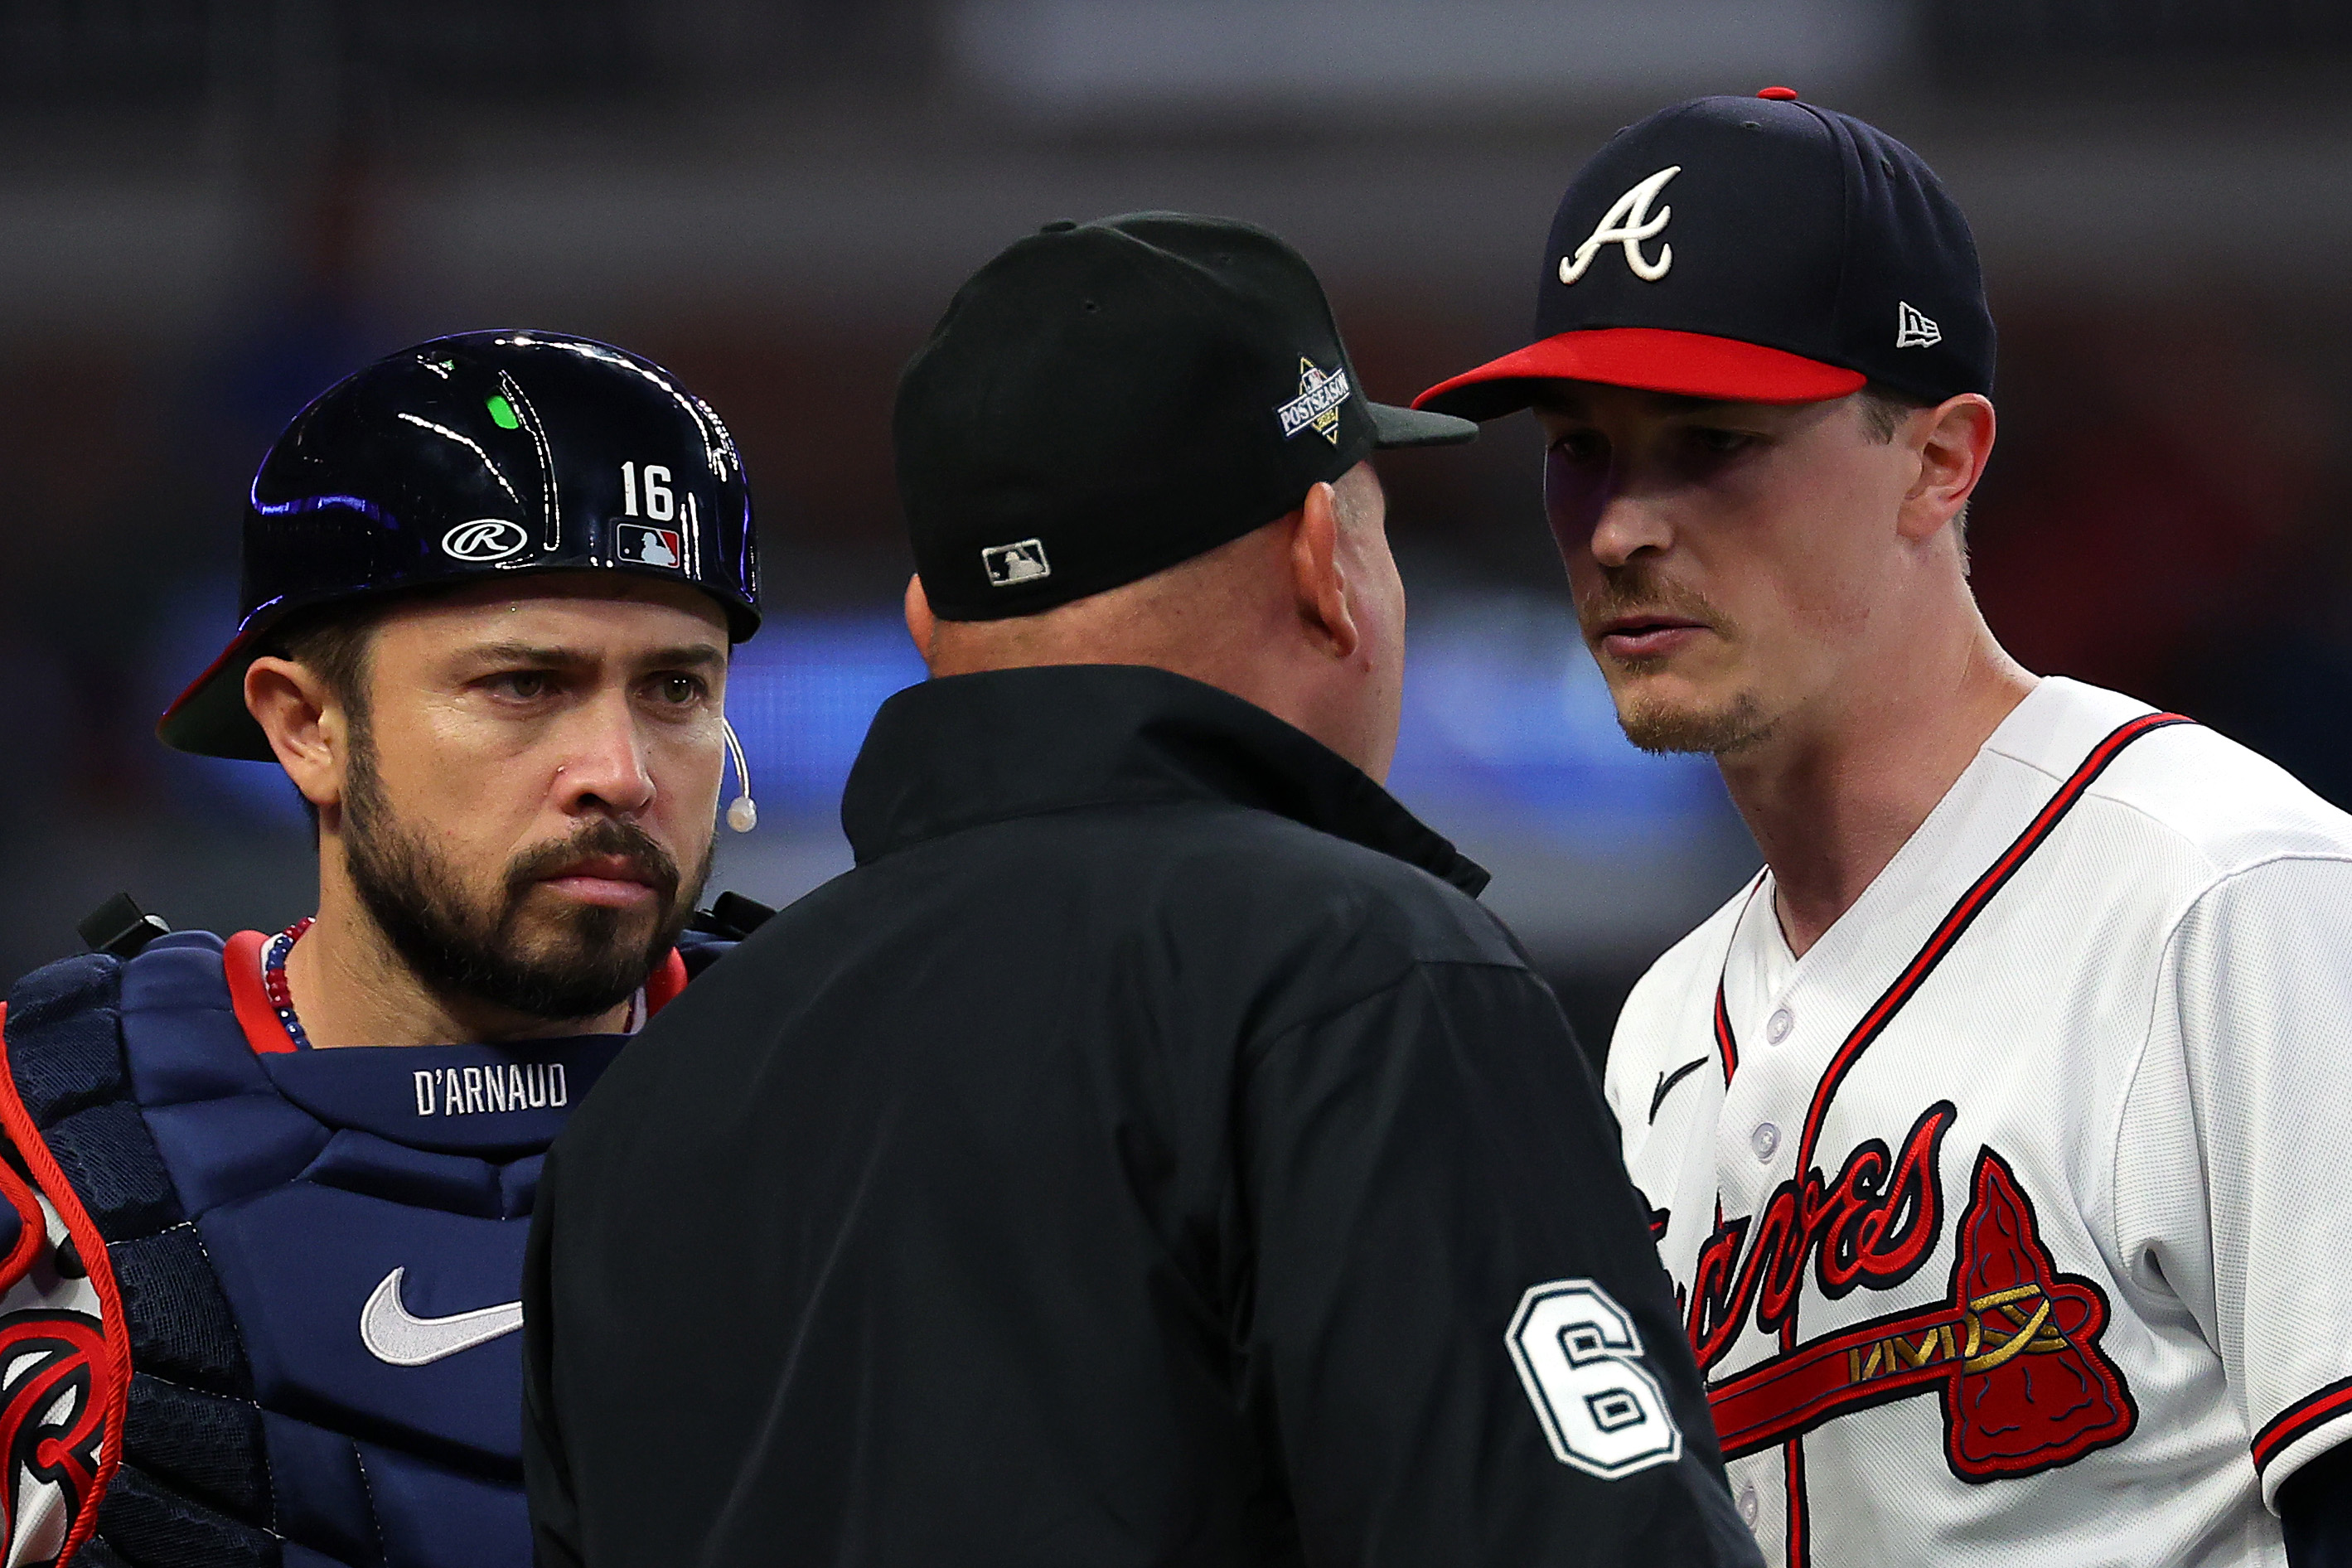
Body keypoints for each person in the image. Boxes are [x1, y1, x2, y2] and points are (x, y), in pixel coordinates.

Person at [522, 212, 1763, 1568]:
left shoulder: (648, 1103)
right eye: (1379, 531)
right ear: (1323, 563)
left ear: (930, 620)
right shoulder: (1353, 976)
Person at [1413, 89, 2352, 1566]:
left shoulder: (2227, 893)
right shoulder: (1662, 1030)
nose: (1617, 528)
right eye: (1578, 447)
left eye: (1709, 442)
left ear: (1939, 459)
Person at [0, 330, 767, 1568]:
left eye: (676, 689)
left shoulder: (885, 1099)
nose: (620, 773)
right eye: (523, 683)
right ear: (307, 725)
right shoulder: (45, 1143)